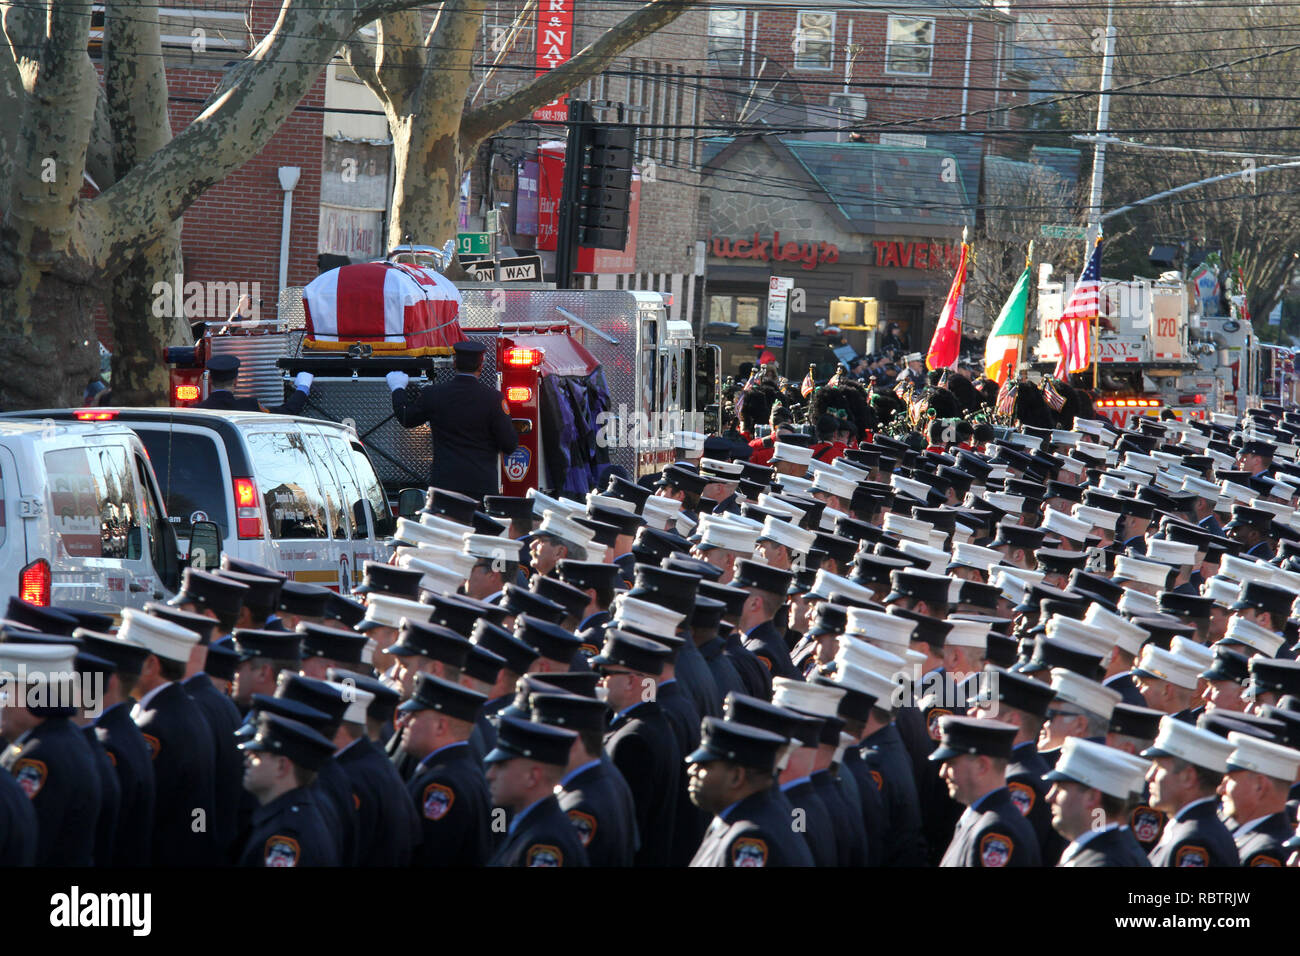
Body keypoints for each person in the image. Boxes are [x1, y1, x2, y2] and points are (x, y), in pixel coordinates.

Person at [387, 340, 518, 500]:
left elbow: (406, 418)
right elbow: (509, 445)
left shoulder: (434, 394)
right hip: (481, 487)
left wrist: (398, 388)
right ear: (481, 366)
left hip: (445, 486)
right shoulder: (494, 399)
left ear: (455, 364)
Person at [686, 716, 815, 867]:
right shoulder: (757, 816)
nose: (692, 770)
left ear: (736, 777)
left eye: (705, 765)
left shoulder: (750, 839)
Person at [400, 673, 494, 867]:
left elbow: (430, 857)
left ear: (440, 726)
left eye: (415, 715)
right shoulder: (462, 770)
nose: (405, 721)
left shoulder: (442, 784)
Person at [930, 715, 1042, 867]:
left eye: (951, 763)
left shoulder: (996, 831)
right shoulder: (982, 818)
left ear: (981, 766)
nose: (942, 772)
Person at [236, 714, 340, 867]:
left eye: (256, 756)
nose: (247, 762)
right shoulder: (290, 817)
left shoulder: (285, 835)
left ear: (281, 766)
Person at [485, 716, 590, 866]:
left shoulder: (545, 843)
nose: (490, 775)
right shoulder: (530, 823)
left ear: (532, 777)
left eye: (501, 766)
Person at [1044, 737, 1151, 867]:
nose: (1050, 797)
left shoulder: (1104, 861)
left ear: (1092, 797)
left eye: (1061, 789)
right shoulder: (1102, 853)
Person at [196, 354, 313, 413]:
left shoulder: (196, 412)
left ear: (210, 380)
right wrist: (303, 387)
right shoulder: (250, 406)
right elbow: (287, 412)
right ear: (236, 381)